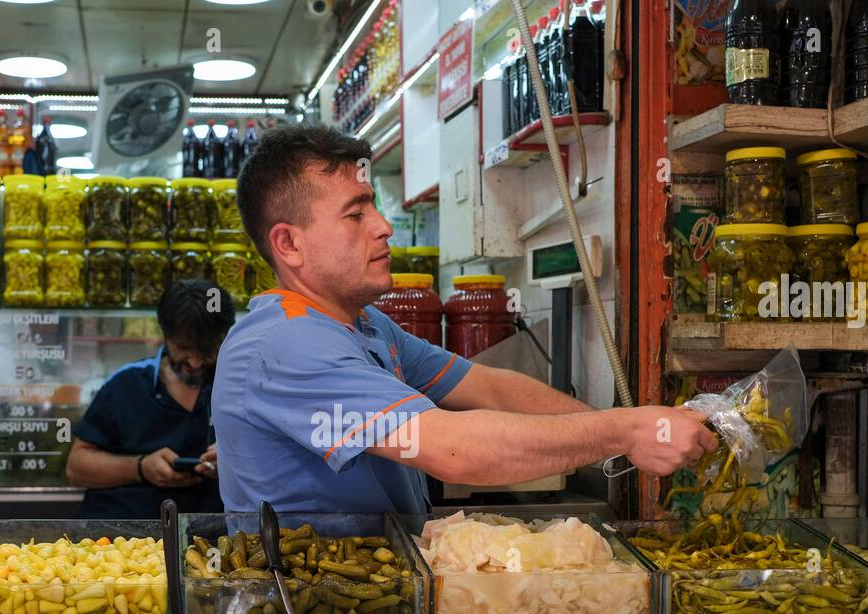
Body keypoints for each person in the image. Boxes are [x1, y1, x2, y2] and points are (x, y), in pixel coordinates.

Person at [211, 125, 717, 515]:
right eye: (355, 213)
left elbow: (490, 387)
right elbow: (452, 450)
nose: (384, 227)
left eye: (375, 208)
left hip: (375, 601)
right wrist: (625, 432)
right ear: (289, 243)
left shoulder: (364, 325)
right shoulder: (286, 344)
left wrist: (617, 431)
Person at [66, 279, 234, 517]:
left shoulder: (239, 385)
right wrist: (140, 467)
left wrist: (234, 459)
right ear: (165, 335)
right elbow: (76, 468)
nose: (195, 362)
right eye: (183, 348)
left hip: (211, 541)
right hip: (120, 540)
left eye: (207, 350)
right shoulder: (126, 384)